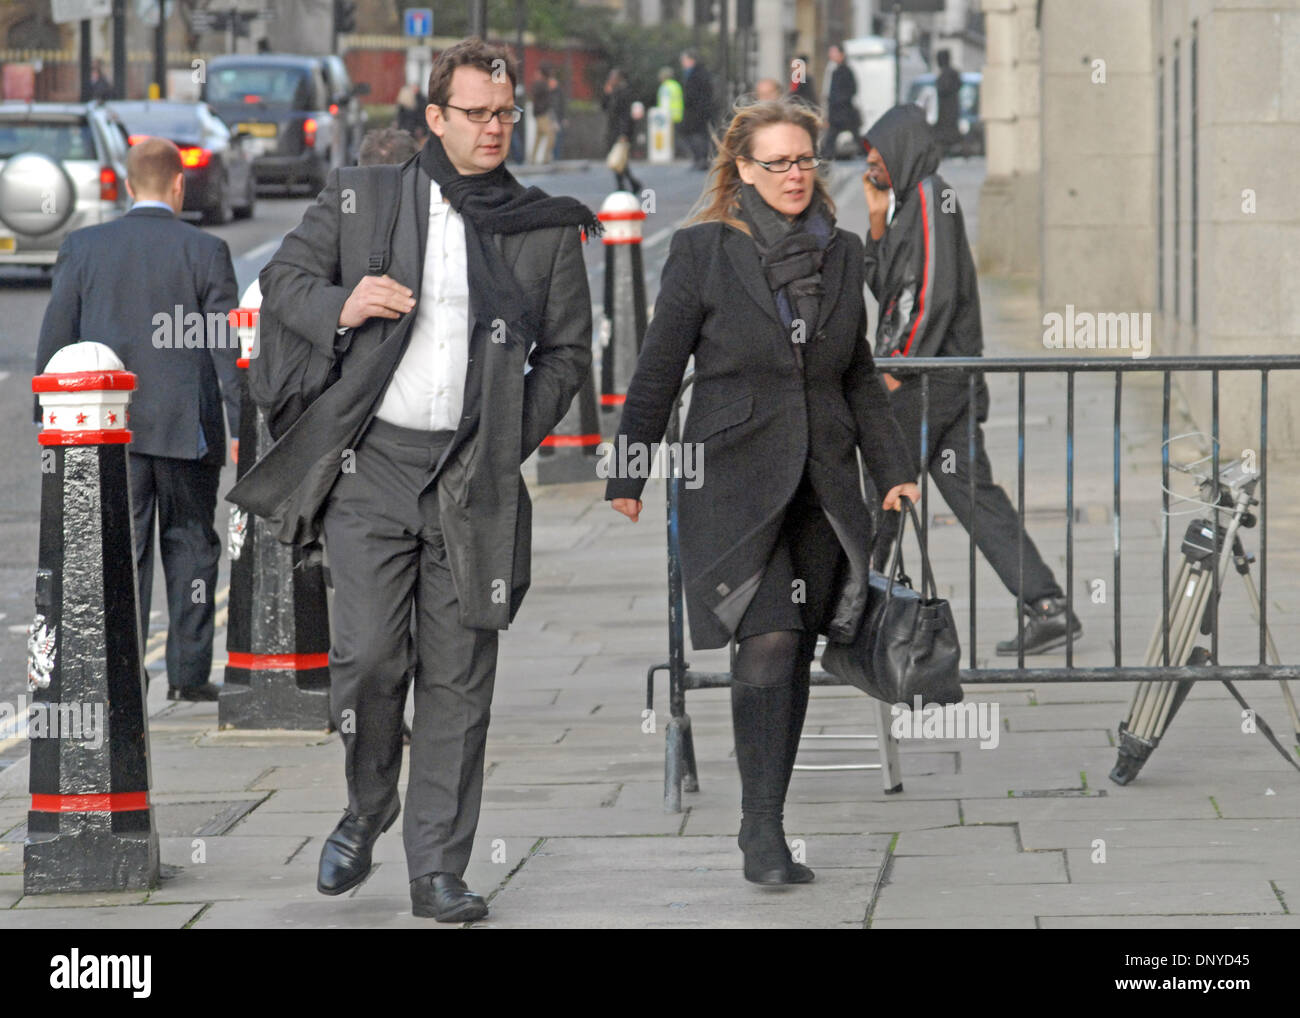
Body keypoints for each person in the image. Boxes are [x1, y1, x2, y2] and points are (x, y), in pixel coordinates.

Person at [227, 37, 598, 921]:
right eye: (476, 114)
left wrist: (507, 434)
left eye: (505, 113)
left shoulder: (543, 226)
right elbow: (282, 279)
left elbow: (570, 352)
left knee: (461, 679)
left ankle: (438, 869)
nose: (494, 129)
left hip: (473, 475)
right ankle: (367, 806)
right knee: (365, 661)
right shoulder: (369, 198)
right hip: (373, 465)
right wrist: (343, 304)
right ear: (435, 118)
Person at [605, 99, 919, 885]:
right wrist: (629, 467)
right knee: (768, 641)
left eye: (804, 160)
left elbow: (854, 373)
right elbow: (658, 365)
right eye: (776, 162)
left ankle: (767, 820)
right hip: (732, 480)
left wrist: (894, 470)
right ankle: (760, 830)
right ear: (742, 169)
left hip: (821, 482)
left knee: (798, 646)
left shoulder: (843, 254)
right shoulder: (704, 249)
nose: (793, 175)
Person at [860, 104, 1081, 656]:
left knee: (882, 491)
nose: (868, 159)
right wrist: (876, 224)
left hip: (927, 380)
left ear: (903, 148)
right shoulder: (910, 203)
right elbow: (887, 290)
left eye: (877, 150)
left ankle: (852, 618)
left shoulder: (934, 197)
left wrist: (899, 371)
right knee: (973, 494)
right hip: (938, 379)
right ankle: (1048, 606)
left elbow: (932, 292)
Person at [35, 137, 240, 702]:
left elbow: (58, 337)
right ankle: (190, 677)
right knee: (193, 549)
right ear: (179, 185)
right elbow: (225, 349)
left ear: (128, 186)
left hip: (109, 434)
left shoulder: (84, 246)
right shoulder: (206, 250)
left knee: (121, 555)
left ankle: (121, 675)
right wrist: (243, 426)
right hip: (186, 433)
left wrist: (48, 421)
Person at [602, 67, 643, 195]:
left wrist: (624, 133)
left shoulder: (625, 92)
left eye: (613, 77)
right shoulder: (613, 92)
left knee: (619, 158)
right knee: (618, 159)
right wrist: (607, 94)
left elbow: (626, 115)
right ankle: (630, 183)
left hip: (621, 130)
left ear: (619, 78)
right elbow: (604, 107)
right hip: (613, 129)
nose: (610, 80)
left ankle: (625, 184)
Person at [823, 43, 860, 160]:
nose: (831, 55)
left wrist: (837, 101)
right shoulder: (834, 70)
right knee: (831, 137)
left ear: (841, 54)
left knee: (854, 136)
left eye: (834, 52)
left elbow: (852, 90)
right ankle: (826, 157)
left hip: (844, 112)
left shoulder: (845, 71)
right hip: (838, 112)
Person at [680, 50, 715, 170]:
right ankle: (701, 159)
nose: (682, 63)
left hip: (698, 111)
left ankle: (702, 159)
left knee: (697, 135)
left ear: (691, 60)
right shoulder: (695, 73)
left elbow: (696, 94)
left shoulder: (696, 74)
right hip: (697, 110)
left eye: (684, 60)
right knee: (698, 134)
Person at [934, 49, 962, 155]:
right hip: (948, 109)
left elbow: (943, 88)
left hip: (947, 110)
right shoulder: (952, 74)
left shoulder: (947, 75)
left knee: (946, 132)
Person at [530, 67, 556, 164]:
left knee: (539, 137)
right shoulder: (540, 85)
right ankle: (545, 158)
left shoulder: (539, 85)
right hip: (542, 114)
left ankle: (533, 158)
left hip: (540, 114)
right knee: (551, 135)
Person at [547, 69, 568, 159]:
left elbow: (563, 106)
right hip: (551, 119)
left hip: (558, 118)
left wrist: (564, 118)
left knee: (558, 139)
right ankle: (552, 156)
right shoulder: (548, 94)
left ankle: (556, 157)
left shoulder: (560, 93)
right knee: (552, 139)